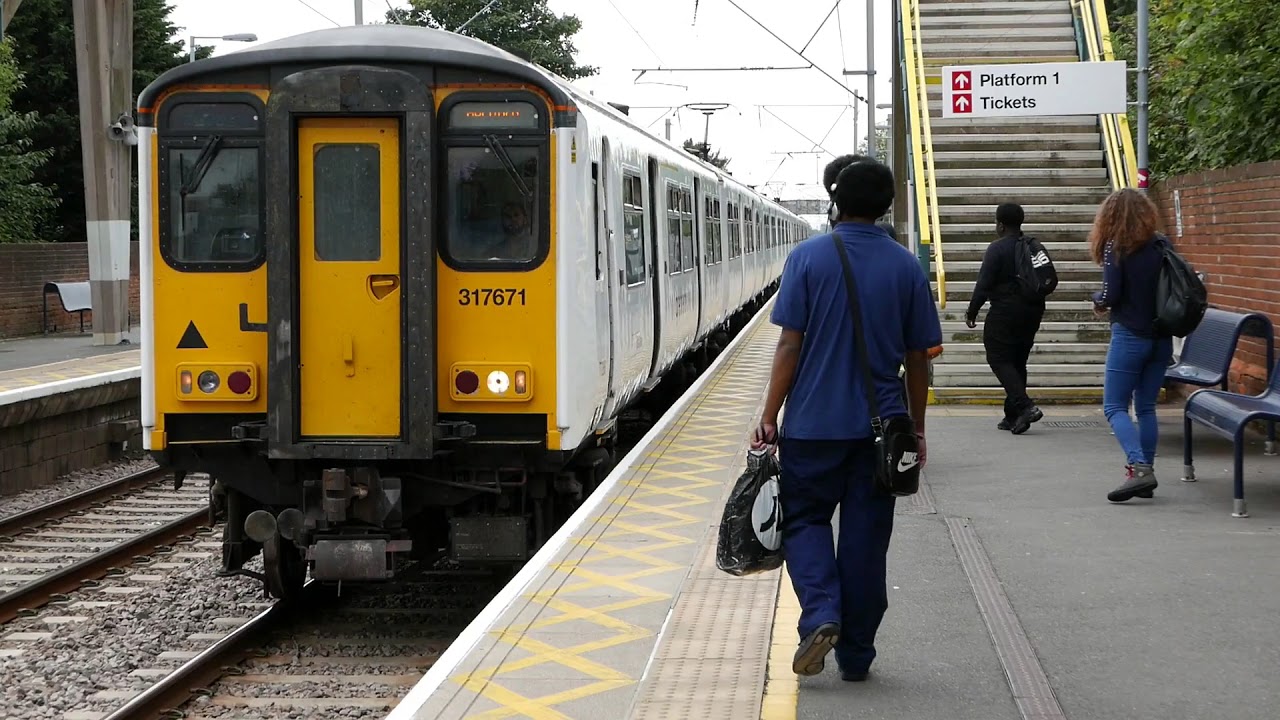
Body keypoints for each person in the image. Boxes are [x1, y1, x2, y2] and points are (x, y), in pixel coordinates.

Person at [750, 158, 942, 682]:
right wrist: (916, 428)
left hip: (811, 427)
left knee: (805, 522)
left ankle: (820, 613)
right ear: (887, 207)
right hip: (880, 432)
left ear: (836, 202)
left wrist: (769, 415)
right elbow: (920, 359)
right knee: (865, 542)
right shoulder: (907, 267)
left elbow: (790, 343)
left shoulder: (807, 258)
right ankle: (856, 656)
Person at [1089, 188, 1172, 502]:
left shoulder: (1117, 248)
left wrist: (1098, 302)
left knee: (1114, 407)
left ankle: (1138, 468)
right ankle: (1145, 472)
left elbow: (1110, 296)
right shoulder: (1162, 245)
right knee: (1147, 407)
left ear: (1110, 217)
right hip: (1161, 337)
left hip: (1130, 336)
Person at [964, 203, 1045, 434]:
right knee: (1018, 360)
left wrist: (972, 311)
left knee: (998, 358)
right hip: (1032, 311)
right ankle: (1013, 416)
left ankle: (1025, 406)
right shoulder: (1032, 246)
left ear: (1000, 224)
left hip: (1005, 312)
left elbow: (984, 284)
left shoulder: (997, 248)